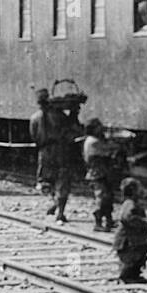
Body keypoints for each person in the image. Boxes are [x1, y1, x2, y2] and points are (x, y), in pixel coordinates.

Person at [29, 91, 83, 223]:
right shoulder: (61, 116)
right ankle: (60, 212)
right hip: (62, 151)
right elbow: (73, 130)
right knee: (63, 180)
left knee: (46, 181)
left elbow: (34, 136)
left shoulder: (34, 118)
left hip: (45, 152)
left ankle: (54, 201)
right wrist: (74, 114)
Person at [82, 117, 119, 231]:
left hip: (102, 171)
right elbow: (108, 148)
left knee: (108, 196)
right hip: (98, 172)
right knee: (102, 197)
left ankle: (108, 220)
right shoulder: (93, 141)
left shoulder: (92, 140)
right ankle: (98, 223)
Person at [113, 177, 147, 284]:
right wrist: (144, 221)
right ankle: (126, 277)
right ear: (133, 190)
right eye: (139, 188)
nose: (142, 191)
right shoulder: (130, 204)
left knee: (139, 257)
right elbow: (126, 217)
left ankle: (134, 276)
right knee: (131, 259)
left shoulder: (132, 203)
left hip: (134, 240)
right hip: (128, 241)